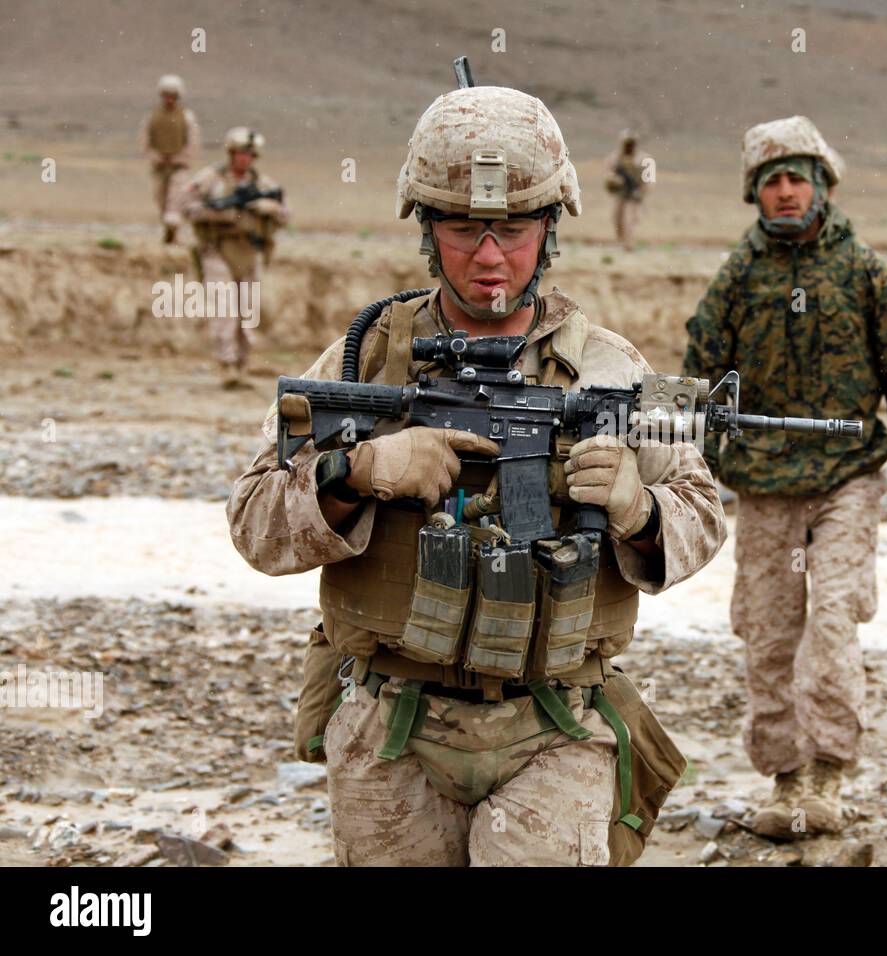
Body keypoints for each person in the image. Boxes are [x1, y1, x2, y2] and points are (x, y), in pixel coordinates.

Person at [226, 84, 726, 866]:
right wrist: (359, 472)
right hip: (391, 720)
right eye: (463, 229)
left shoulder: (612, 368)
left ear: (550, 228)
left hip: (555, 723)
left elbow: (704, 512)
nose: (489, 257)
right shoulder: (367, 359)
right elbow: (255, 523)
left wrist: (640, 511)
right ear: (427, 229)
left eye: (513, 230)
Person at [682, 115, 887, 839]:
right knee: (768, 634)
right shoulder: (737, 278)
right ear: (755, 194)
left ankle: (828, 774)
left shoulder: (864, 272)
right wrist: (694, 461)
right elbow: (699, 379)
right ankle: (785, 778)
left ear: (823, 186)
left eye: (798, 178)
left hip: (847, 478)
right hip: (763, 483)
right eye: (772, 181)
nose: (786, 191)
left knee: (831, 623)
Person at [182, 127, 290, 389]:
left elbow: (285, 215)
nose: (244, 159)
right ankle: (227, 364)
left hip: (249, 252)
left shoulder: (263, 184)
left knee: (247, 312)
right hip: (217, 249)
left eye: (249, 155)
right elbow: (189, 208)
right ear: (231, 153)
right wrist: (223, 215)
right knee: (224, 310)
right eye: (240, 153)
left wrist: (270, 209)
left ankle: (243, 365)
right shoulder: (210, 179)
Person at [138, 74, 200, 244]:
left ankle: (173, 233)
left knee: (175, 201)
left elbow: (192, 141)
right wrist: (155, 157)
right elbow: (144, 140)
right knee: (161, 201)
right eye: (166, 95)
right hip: (159, 167)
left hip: (179, 166)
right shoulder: (152, 116)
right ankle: (169, 232)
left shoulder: (187, 117)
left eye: (172, 96)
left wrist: (181, 158)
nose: (169, 99)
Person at [605, 129, 648, 251]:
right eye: (627, 143)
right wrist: (615, 179)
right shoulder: (615, 158)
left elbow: (649, 180)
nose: (629, 146)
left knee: (630, 220)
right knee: (616, 218)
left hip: (634, 193)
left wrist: (642, 191)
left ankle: (629, 244)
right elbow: (608, 174)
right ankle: (622, 241)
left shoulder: (643, 159)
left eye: (631, 143)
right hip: (620, 193)